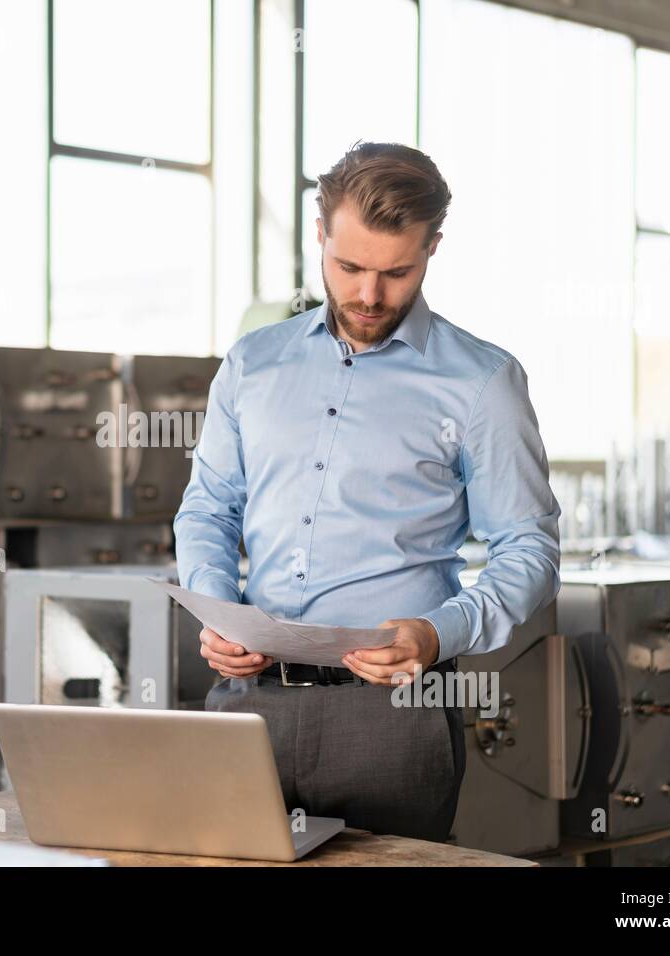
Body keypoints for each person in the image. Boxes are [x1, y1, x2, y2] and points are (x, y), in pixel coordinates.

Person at [173, 141, 561, 842]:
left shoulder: (482, 382)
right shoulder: (252, 364)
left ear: (433, 248)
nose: (368, 295)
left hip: (393, 720)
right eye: (348, 267)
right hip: (246, 707)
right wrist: (217, 605)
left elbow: (527, 548)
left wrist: (440, 632)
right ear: (319, 234)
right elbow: (208, 505)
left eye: (395, 272)